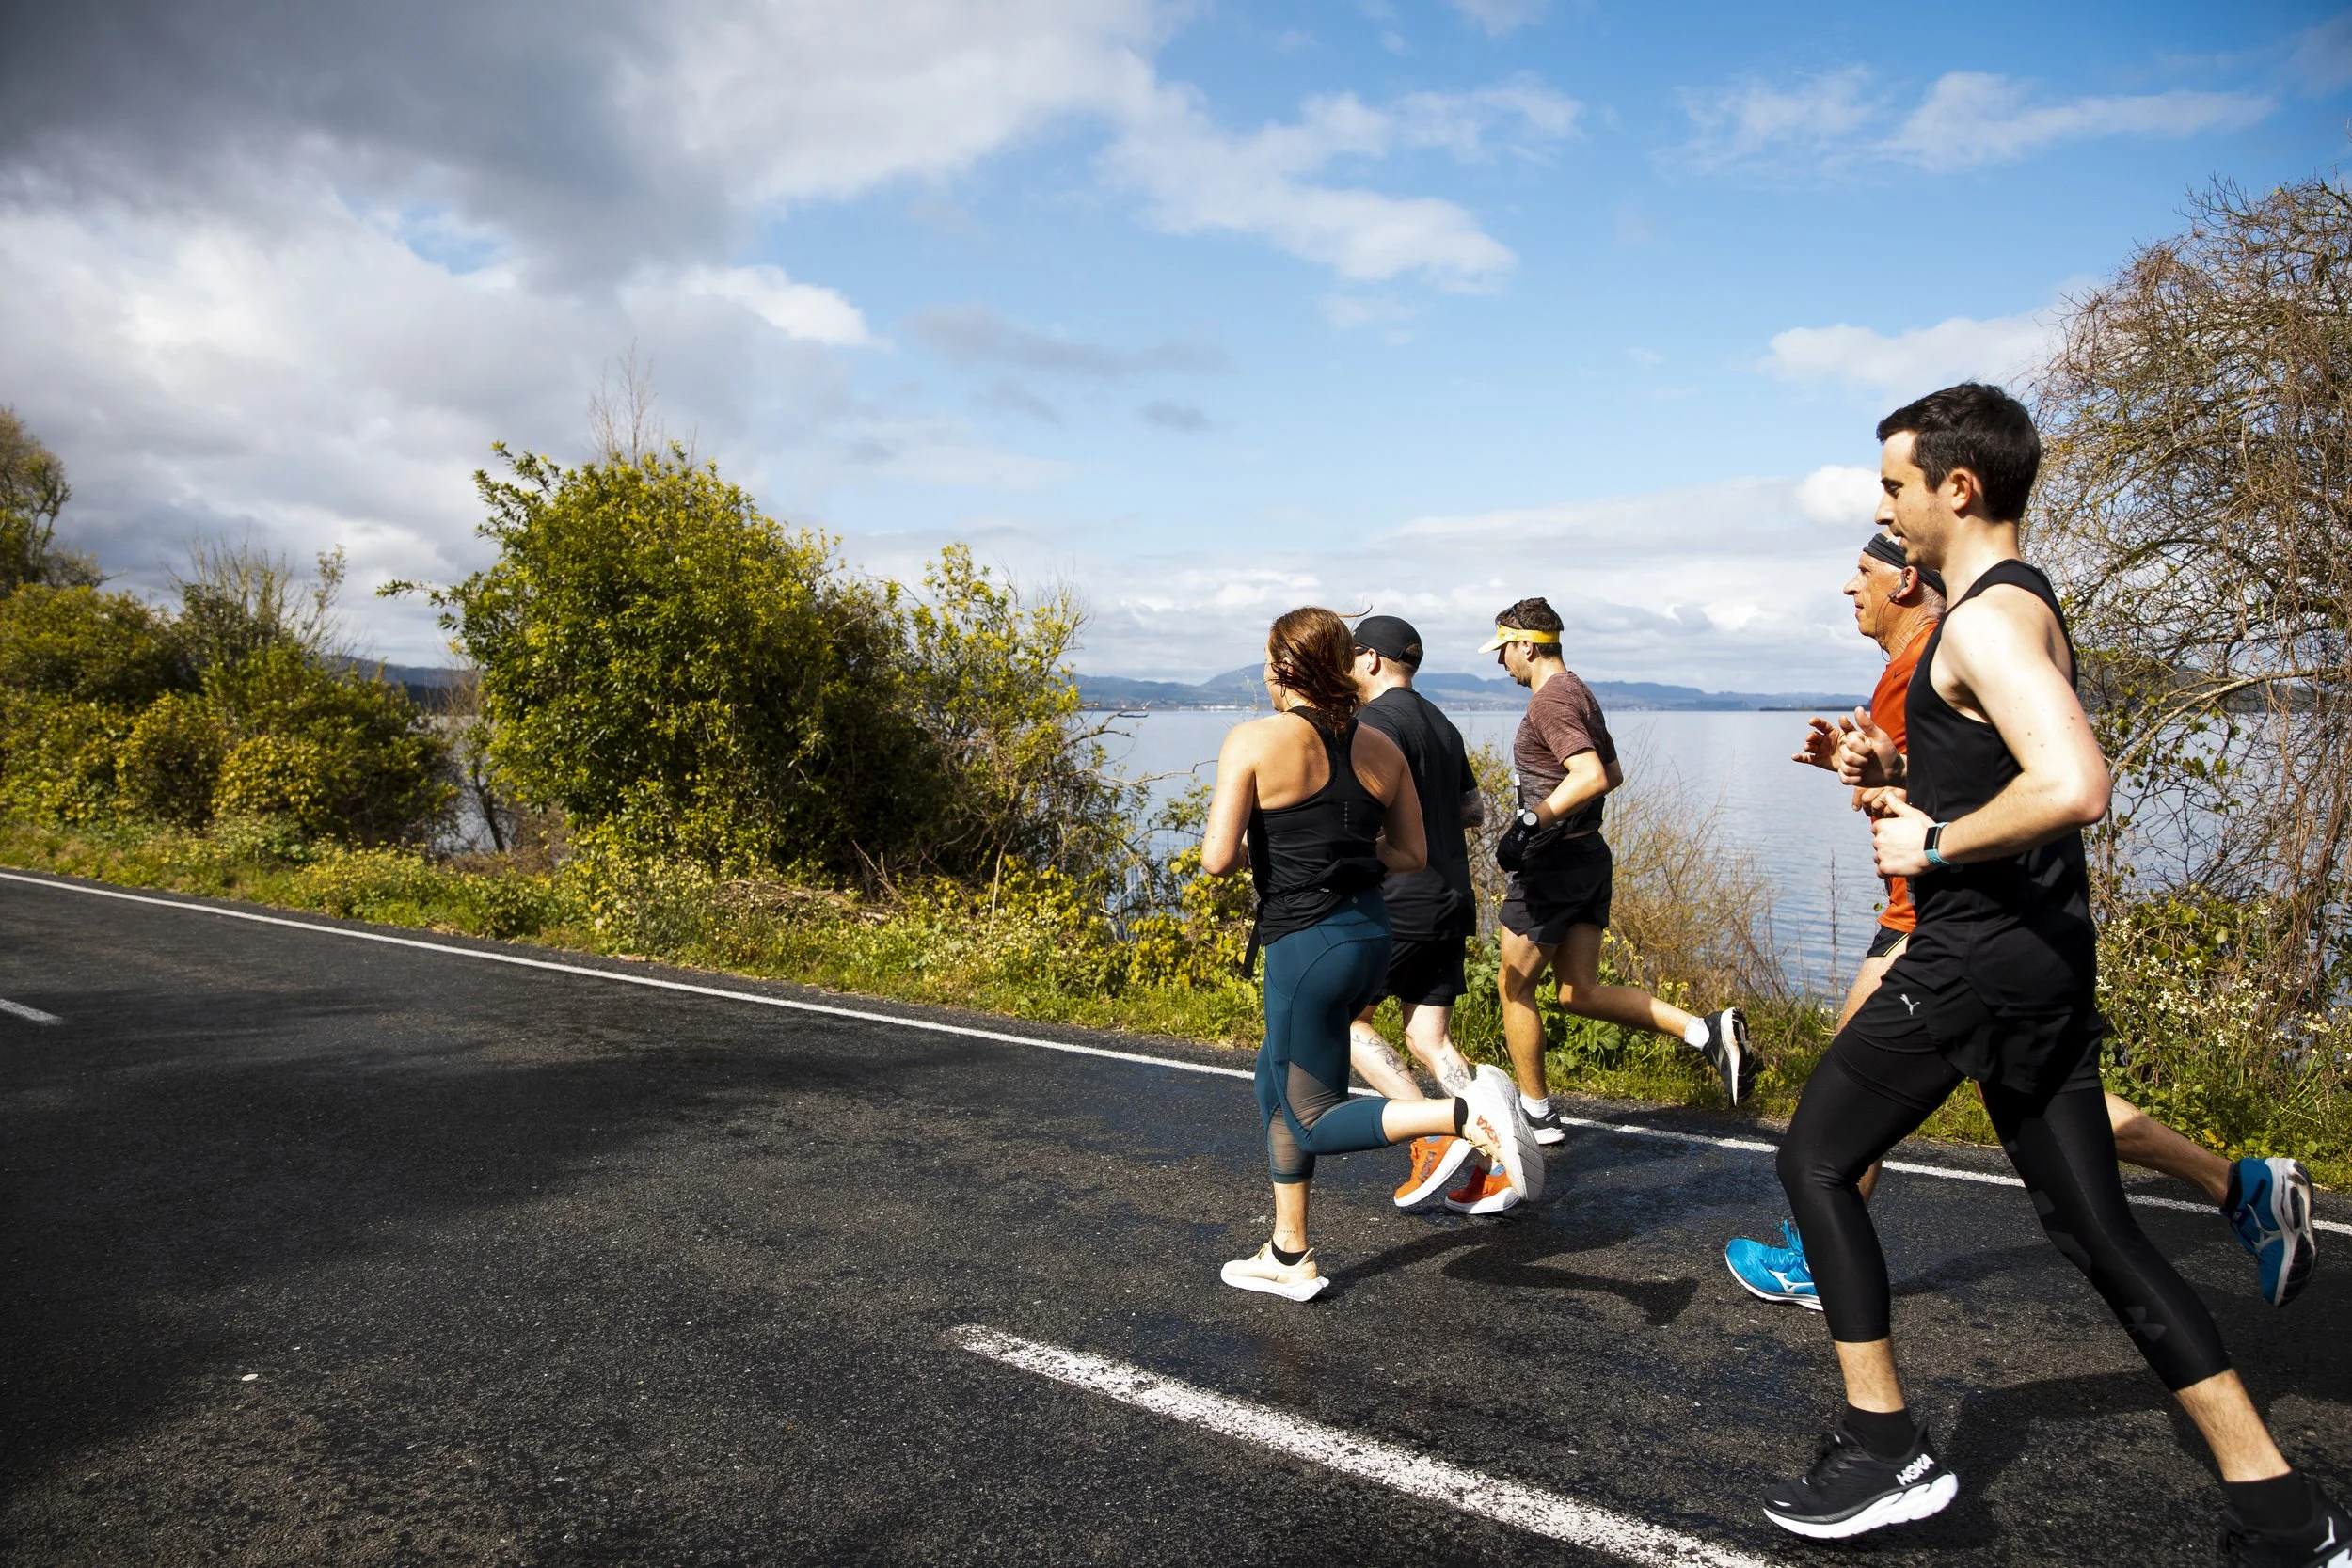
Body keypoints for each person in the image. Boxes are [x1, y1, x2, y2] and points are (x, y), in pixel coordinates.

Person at [1761, 383, 2347, 1563]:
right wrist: (1888, 772)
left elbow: (2073, 783)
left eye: (1893, 486)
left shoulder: (1981, 618)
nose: (1886, 509)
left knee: (1815, 1157)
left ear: (1955, 488)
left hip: (1974, 955)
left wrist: (1925, 844)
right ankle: (2284, 1512)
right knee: (2097, 1227)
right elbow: (1999, 781)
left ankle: (1883, 1446)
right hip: (2034, 953)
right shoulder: (2015, 610)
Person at [1725, 534, 2319, 1312]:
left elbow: (1954, 813)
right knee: (2042, 1102)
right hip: (1963, 920)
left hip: (1936, 924)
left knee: (1849, 1095)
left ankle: (1817, 1262)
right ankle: (2239, 1184)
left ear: (1906, 580)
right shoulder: (1909, 674)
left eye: (1862, 572)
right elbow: (1942, 792)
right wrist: (1865, 765)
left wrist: (1891, 797)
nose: (1848, 588)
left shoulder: (1927, 671)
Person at [1202, 607, 1544, 1303]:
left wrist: (1267, 852)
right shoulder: (1379, 747)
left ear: (1283, 668)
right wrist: (1351, 855)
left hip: (1306, 944)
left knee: (1313, 1117)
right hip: (1368, 932)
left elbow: (1217, 858)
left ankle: (1462, 1115)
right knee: (1274, 1083)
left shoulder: (1255, 740)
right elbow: (1412, 852)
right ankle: (1288, 1250)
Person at [1485, 596, 1748, 1144]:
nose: (1500, 661)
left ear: (1527, 647)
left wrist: (1532, 821)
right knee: (1576, 991)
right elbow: (1615, 771)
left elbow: (1592, 776)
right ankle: (1705, 1032)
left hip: (1553, 863)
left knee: (1514, 988)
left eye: (1504, 649)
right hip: (1587, 857)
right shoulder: (1578, 690)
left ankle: (1537, 1114)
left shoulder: (1549, 703)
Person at [1333, 615, 1519, 1218]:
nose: (1344, 669)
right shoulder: (1441, 725)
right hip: (1451, 896)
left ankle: (1430, 1135)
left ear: (1370, 661)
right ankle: (1496, 1160)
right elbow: (1473, 811)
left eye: (1349, 658)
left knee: (1340, 1019)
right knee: (1427, 1037)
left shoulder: (1370, 725)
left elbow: (1353, 813)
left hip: (1397, 898)